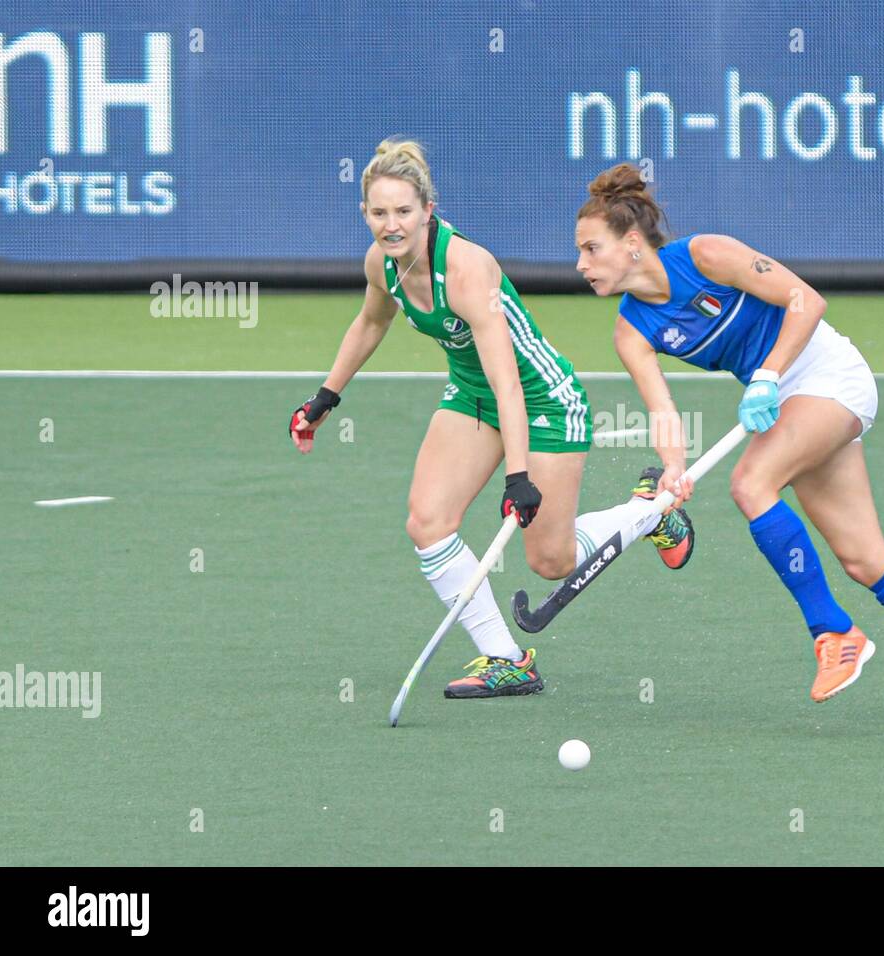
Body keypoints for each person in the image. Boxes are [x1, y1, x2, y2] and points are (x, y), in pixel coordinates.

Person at [573, 163, 884, 728]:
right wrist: (674, 469)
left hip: (826, 374)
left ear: (631, 245)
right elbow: (662, 411)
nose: (580, 265)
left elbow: (806, 300)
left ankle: (833, 633)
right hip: (785, 398)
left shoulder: (706, 255)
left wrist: (769, 375)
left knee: (751, 484)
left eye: (590, 249)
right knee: (865, 559)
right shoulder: (631, 329)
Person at [289, 140, 694, 699]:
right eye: (378, 213)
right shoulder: (380, 264)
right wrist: (324, 399)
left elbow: (511, 381)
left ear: (428, 210)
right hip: (473, 396)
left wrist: (517, 477)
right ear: (365, 214)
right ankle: (506, 659)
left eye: (403, 211)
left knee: (551, 561)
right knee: (427, 523)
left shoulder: (466, 268)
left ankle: (650, 510)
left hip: (544, 400)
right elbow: (369, 323)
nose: (391, 224)